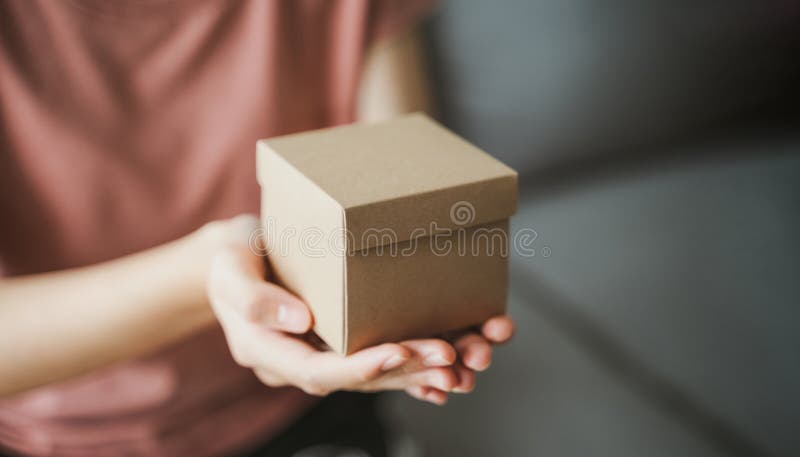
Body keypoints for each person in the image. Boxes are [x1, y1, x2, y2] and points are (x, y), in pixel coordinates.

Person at [0, 1, 515, 456]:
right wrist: (205, 275)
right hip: (70, 435)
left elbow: (409, 176)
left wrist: (418, 300)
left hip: (307, 397)